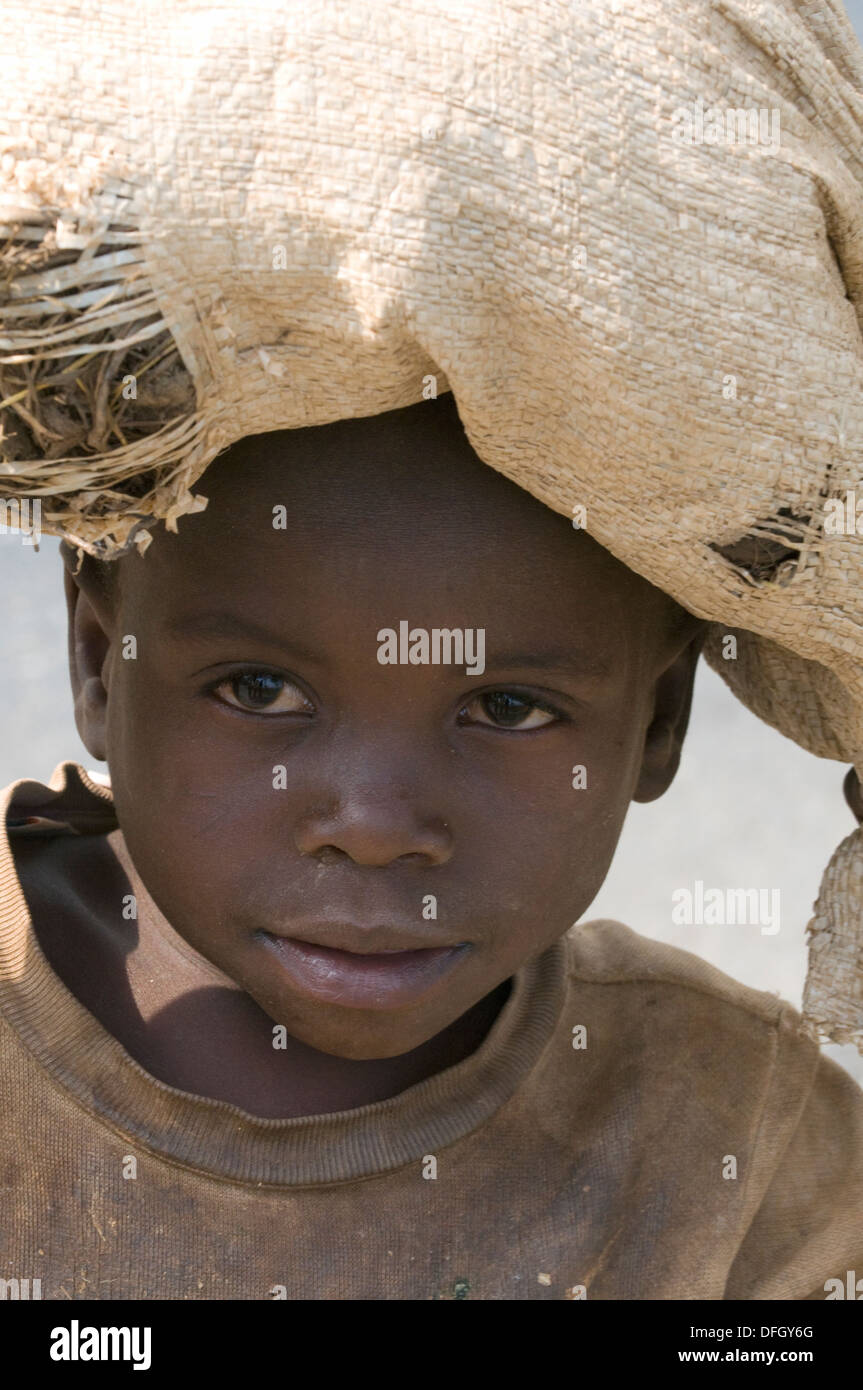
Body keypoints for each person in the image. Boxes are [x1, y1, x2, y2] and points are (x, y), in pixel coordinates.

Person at [1, 393, 861, 1300]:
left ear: (658, 718)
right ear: (100, 657)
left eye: (506, 707)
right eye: (257, 689)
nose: (375, 829)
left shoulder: (738, 1135)